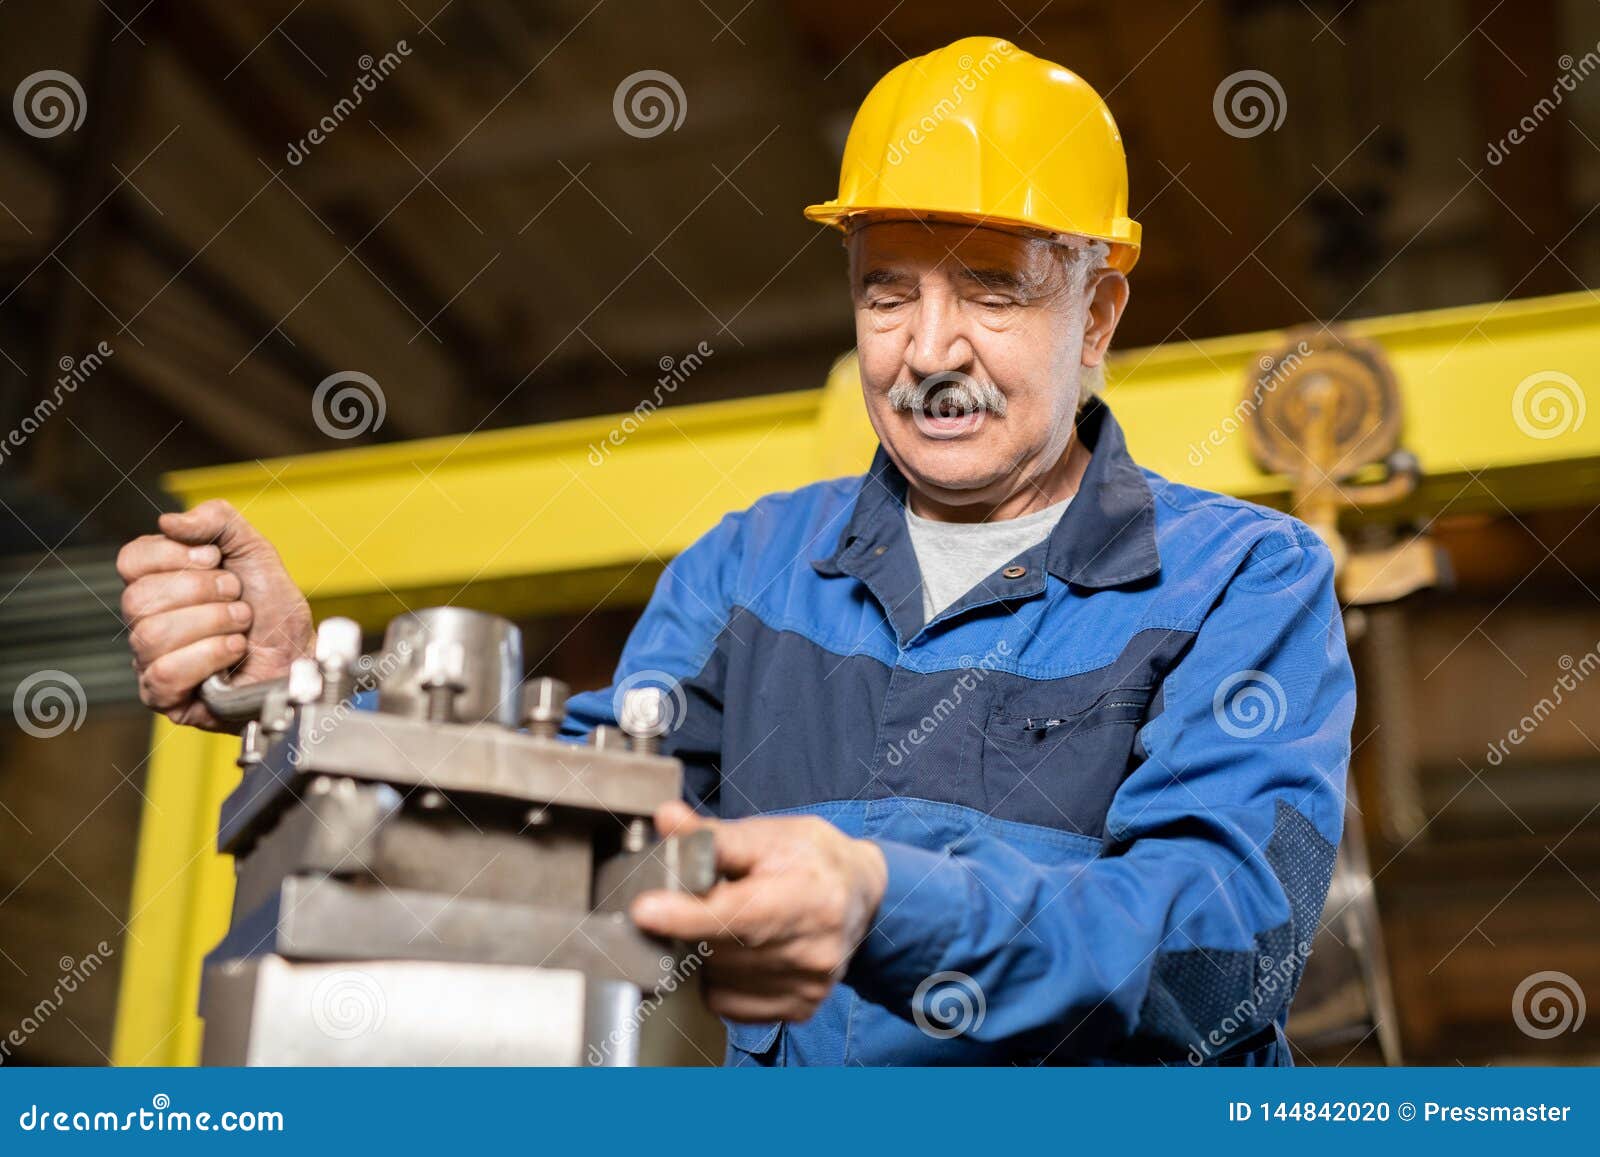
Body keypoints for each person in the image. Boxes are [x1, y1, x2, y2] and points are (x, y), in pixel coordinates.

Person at [118, 37, 1355, 1065]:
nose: (929, 350)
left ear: (1098, 311)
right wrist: (308, 690)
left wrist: (886, 898)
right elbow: (574, 801)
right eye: (886, 291)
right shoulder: (751, 569)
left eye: (993, 289)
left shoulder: (1243, 579)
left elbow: (1228, 947)